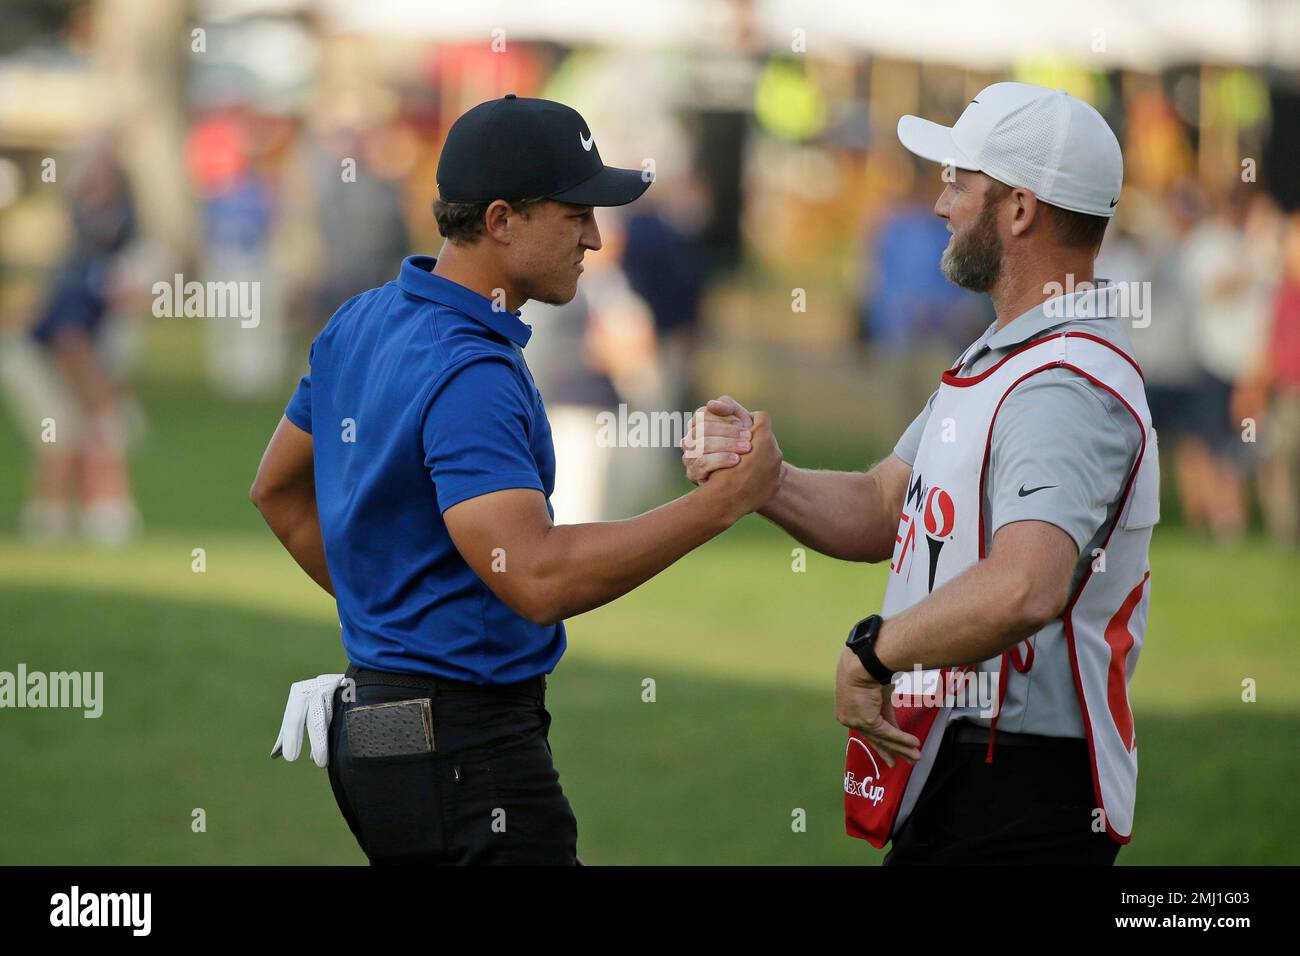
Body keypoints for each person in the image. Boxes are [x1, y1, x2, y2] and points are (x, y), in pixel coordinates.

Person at [252, 95, 781, 865]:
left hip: (378, 734)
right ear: (502, 221)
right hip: (469, 749)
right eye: (575, 214)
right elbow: (535, 576)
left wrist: (393, 625)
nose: (596, 238)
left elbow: (276, 491)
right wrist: (722, 504)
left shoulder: (361, 319)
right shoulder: (472, 369)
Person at [685, 83, 1159, 864]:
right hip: (975, 765)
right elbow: (884, 505)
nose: (939, 205)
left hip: (1020, 785)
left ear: (1018, 210)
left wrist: (875, 653)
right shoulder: (1011, 356)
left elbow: (1026, 584)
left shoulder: (1063, 383)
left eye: (956, 184)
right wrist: (764, 479)